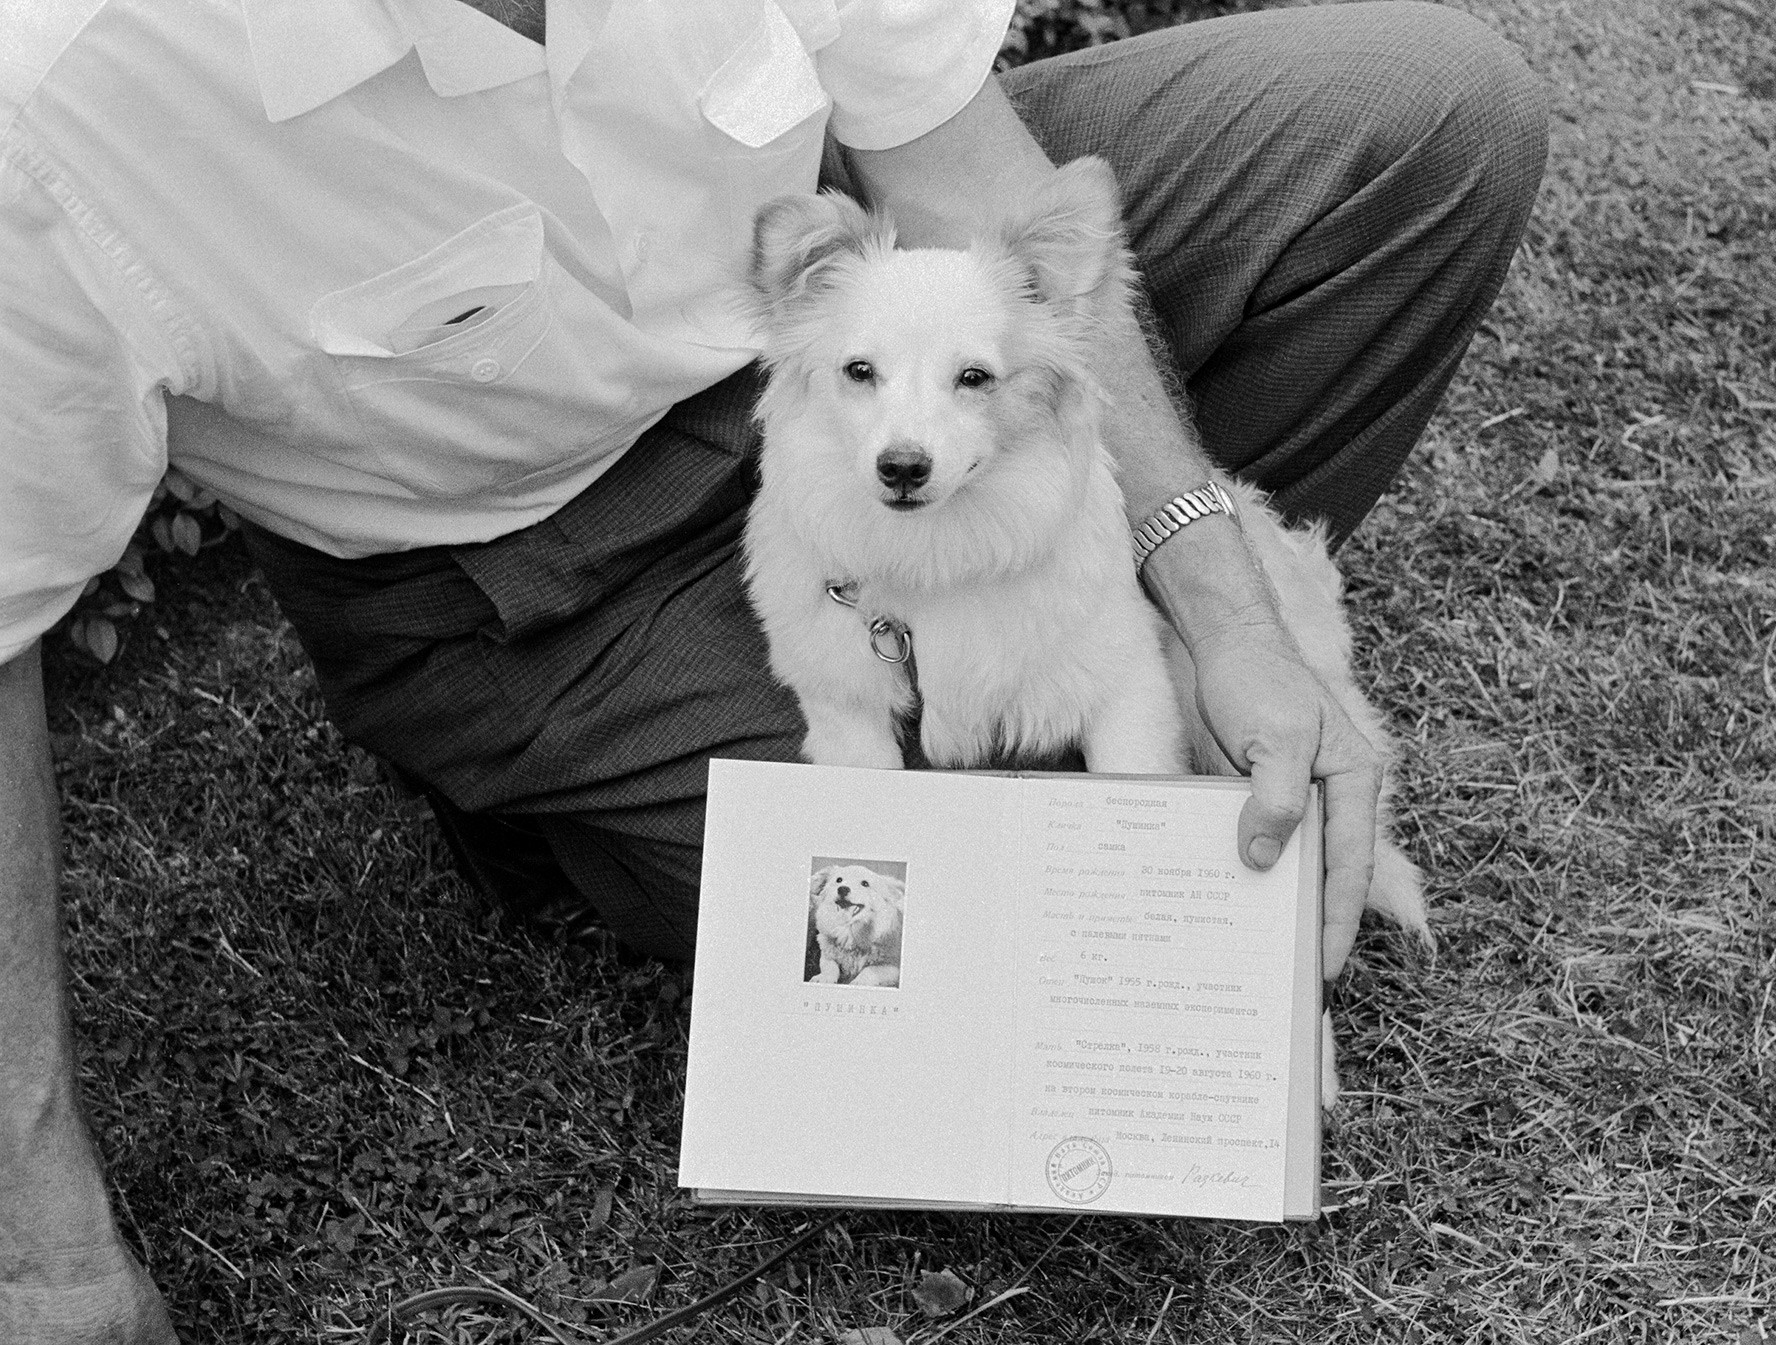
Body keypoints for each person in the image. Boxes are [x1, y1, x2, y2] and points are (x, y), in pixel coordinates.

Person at [0, 0, 1547, 1338]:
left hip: (855, 316)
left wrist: (1218, 602)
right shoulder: (62, 100)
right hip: (549, 569)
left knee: (1418, 122)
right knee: (915, 948)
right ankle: (580, 799)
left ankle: (1074, 591)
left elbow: (959, 170)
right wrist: (44, 1240)